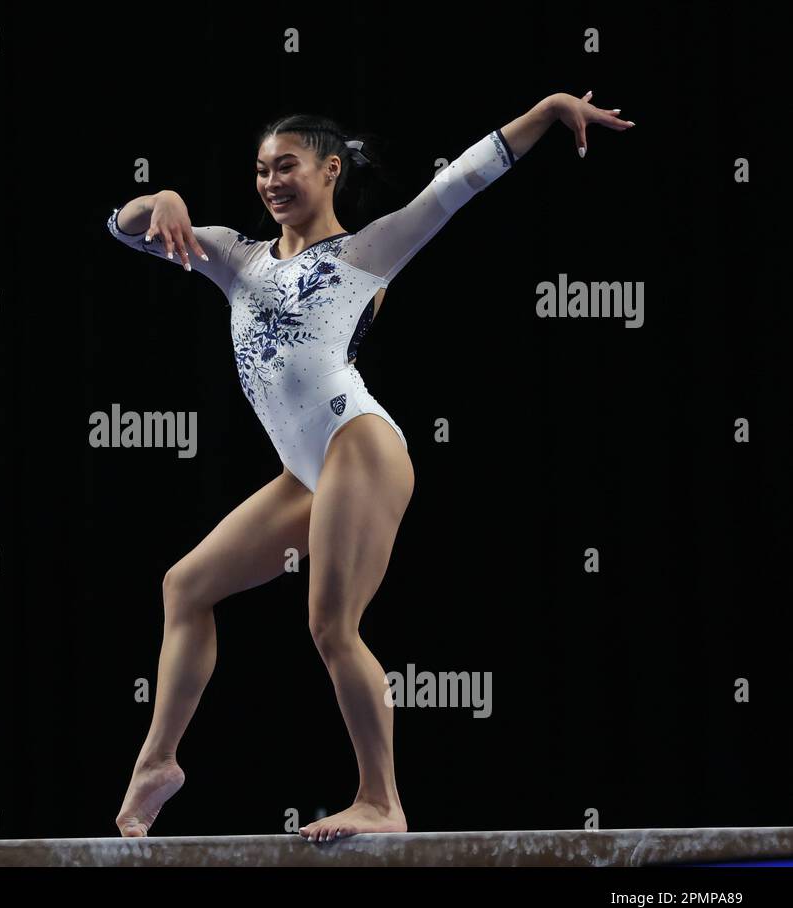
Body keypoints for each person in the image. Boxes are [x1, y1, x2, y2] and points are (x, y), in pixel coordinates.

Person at [107, 92, 633, 841]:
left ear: (329, 170)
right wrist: (160, 198)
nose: (270, 181)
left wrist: (547, 111)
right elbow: (122, 231)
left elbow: (458, 184)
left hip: (359, 443)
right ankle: (159, 761)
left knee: (330, 623)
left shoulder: (367, 251)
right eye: (260, 169)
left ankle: (382, 801)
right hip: (307, 467)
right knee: (185, 585)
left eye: (286, 166)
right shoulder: (232, 255)